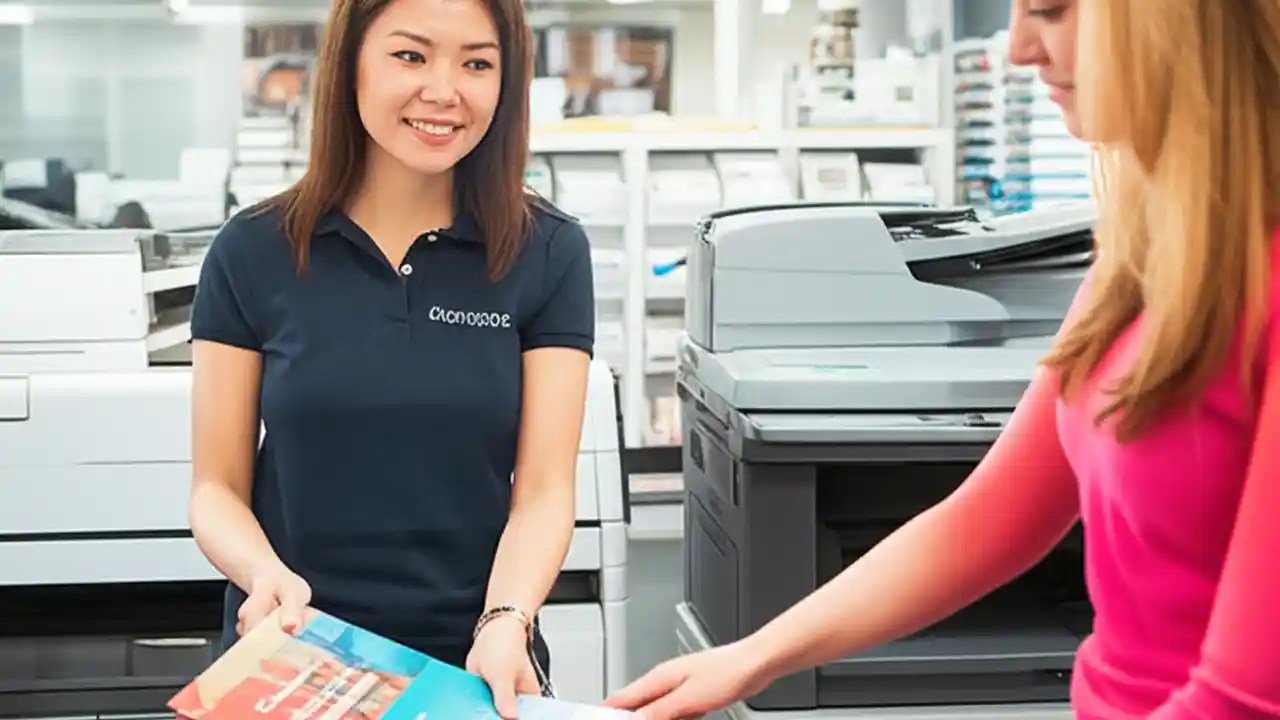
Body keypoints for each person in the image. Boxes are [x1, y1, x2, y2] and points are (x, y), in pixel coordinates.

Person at [607, 1, 1280, 718]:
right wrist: (749, 659)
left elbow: (1242, 697)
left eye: (1050, 10)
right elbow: (988, 519)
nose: (1018, 49)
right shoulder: (1141, 254)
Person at [186, 0, 594, 717]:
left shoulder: (549, 252)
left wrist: (506, 621)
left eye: (477, 63)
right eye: (411, 56)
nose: (444, 90)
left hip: (471, 664)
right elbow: (215, 488)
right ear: (350, 67)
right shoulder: (252, 250)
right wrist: (263, 575)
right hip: (292, 654)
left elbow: (543, 490)